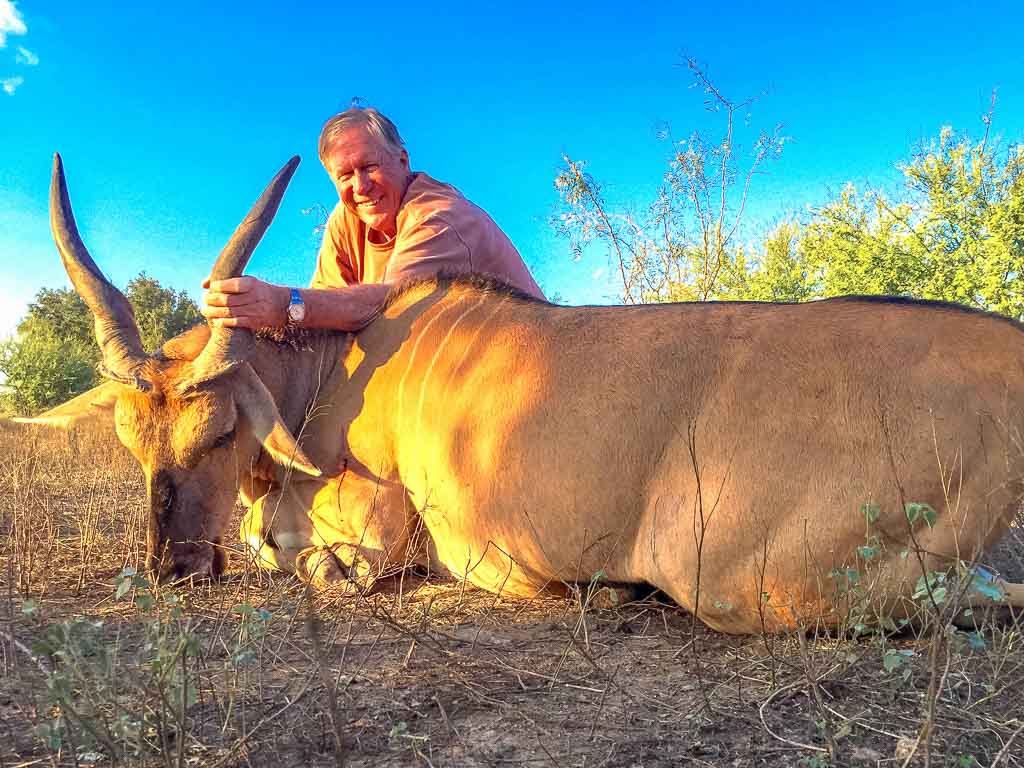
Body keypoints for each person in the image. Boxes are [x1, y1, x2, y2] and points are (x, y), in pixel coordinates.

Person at [201, 106, 544, 332]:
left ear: (403, 161)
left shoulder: (438, 217)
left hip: (532, 371)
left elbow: (390, 309)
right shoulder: (347, 217)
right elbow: (323, 309)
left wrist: (280, 305)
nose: (361, 186)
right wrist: (243, 304)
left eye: (369, 167)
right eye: (345, 176)